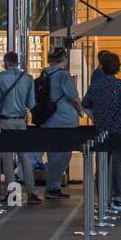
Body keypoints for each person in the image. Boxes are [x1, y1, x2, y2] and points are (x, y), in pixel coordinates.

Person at [82, 52, 121, 210]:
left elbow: (85, 105)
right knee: (118, 165)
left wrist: (95, 118)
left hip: (101, 129)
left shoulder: (95, 86)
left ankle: (102, 197)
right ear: (117, 68)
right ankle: (117, 197)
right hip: (118, 129)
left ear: (102, 68)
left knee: (101, 164)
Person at [0, 51, 38, 205]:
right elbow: (31, 104)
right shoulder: (28, 78)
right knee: (24, 157)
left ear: (5, 61)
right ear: (17, 61)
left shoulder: (0, 78)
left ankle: (12, 194)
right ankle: (31, 192)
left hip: (4, 121)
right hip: (20, 122)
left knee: (7, 159)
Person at [39, 46, 84, 200]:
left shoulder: (44, 73)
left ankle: (53, 186)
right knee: (63, 155)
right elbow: (73, 97)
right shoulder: (64, 75)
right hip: (64, 120)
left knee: (53, 155)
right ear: (63, 59)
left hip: (48, 120)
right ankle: (53, 187)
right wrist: (80, 111)